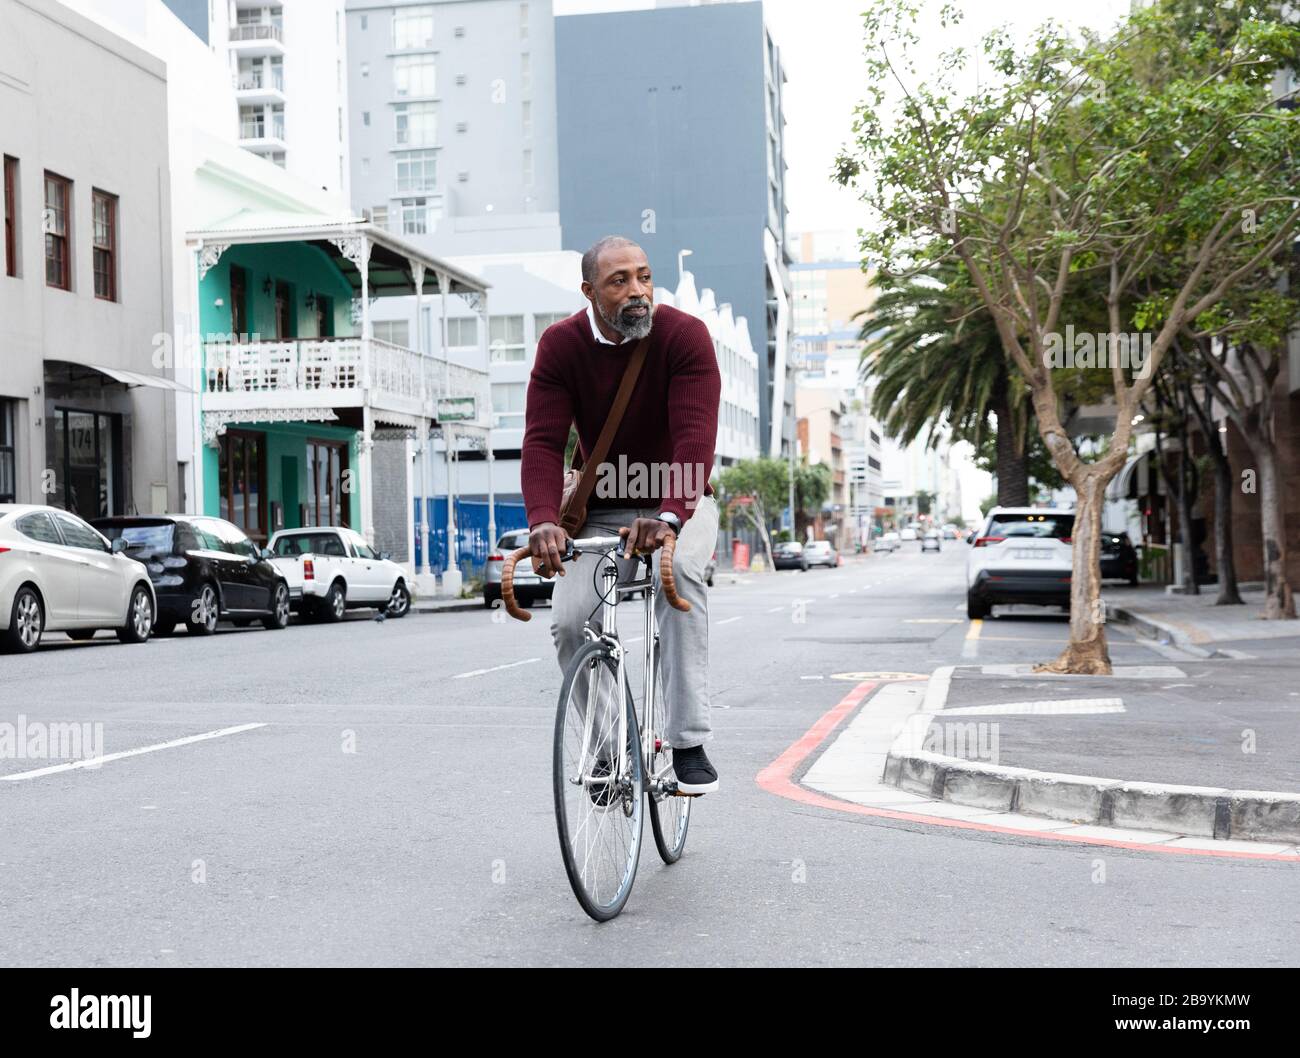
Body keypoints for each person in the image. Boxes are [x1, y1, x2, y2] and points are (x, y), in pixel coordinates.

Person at [521, 236, 722, 794]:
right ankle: (611, 752)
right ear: (589, 292)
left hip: (681, 501)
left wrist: (670, 516)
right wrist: (542, 519)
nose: (637, 291)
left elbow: (694, 438)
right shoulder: (560, 346)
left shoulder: (684, 336)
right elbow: (541, 442)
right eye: (619, 281)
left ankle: (688, 742)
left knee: (677, 576)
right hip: (601, 509)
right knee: (568, 621)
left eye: (644, 276)